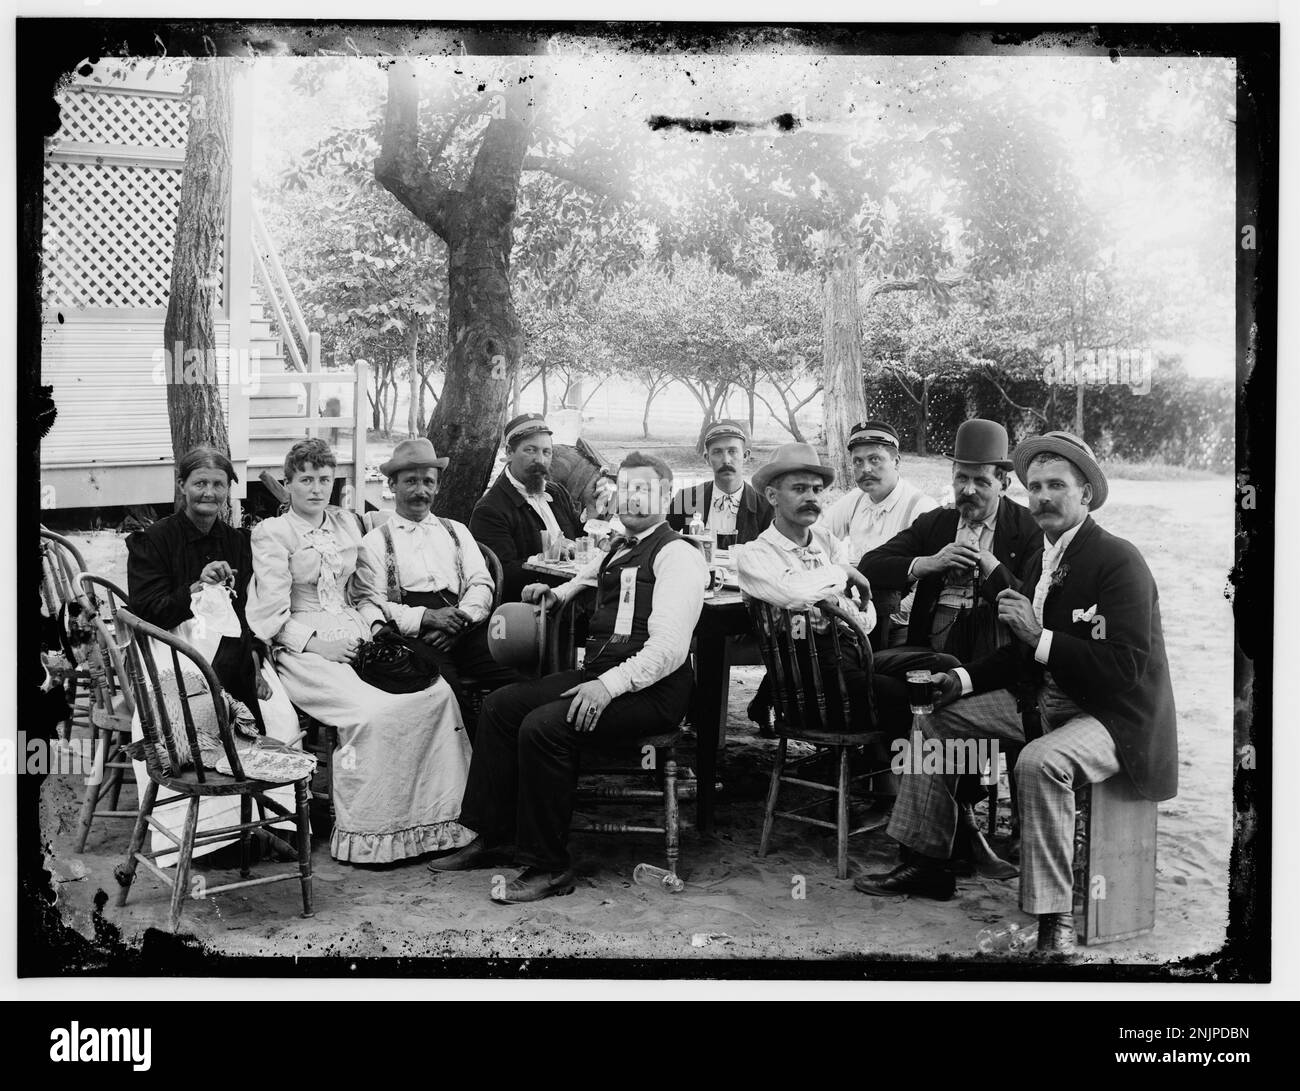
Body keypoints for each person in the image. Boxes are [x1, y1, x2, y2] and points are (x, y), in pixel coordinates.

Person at [856, 433, 1179, 957]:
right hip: (1042, 701)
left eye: (1058, 486)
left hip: (1111, 716)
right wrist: (958, 682)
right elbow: (1020, 656)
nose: (1044, 498)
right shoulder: (1041, 562)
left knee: (1036, 763)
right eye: (1036, 488)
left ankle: (1054, 920)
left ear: (1087, 496)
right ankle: (928, 863)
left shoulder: (1119, 560)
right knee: (934, 720)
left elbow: (1126, 669)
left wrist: (1039, 637)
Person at [431, 452, 708, 903]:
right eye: (626, 487)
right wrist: (554, 592)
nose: (633, 497)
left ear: (666, 496)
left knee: (545, 728)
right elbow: (587, 577)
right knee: (503, 707)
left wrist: (606, 687)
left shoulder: (678, 555)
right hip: (603, 673)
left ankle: (550, 867)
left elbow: (669, 650)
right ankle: (496, 834)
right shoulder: (619, 545)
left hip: (653, 691)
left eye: (645, 489)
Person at [247, 438, 473, 864]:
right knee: (373, 713)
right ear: (288, 483)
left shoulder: (347, 525)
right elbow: (269, 617)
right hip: (302, 644)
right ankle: (373, 832)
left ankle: (434, 822)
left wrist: (374, 629)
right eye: (306, 479)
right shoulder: (272, 533)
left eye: (324, 479)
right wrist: (321, 646)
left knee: (436, 695)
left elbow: (367, 594)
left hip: (358, 632)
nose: (316, 489)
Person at [126, 446, 301, 864]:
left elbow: (255, 608)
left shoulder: (240, 542)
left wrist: (257, 654)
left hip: (235, 643)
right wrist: (195, 589)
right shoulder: (153, 541)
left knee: (277, 713)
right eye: (199, 483)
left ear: (229, 491)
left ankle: (272, 823)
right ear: (182, 486)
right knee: (194, 715)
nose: (209, 492)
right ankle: (210, 839)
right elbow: (148, 610)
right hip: (174, 641)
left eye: (218, 485)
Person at [361, 438, 520, 730]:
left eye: (427, 482)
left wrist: (462, 623)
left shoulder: (456, 531)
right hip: (412, 634)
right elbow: (370, 602)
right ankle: (464, 766)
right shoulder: (375, 541)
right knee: (445, 692)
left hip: (464, 624)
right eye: (410, 481)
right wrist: (425, 618)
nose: (420, 491)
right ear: (392, 486)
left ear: (437, 486)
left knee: (514, 678)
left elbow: (481, 584)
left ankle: (504, 760)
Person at [860, 418, 1042, 666]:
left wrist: (993, 568)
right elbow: (870, 565)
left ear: (1004, 484)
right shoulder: (936, 522)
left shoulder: (1029, 528)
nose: (967, 490)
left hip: (997, 657)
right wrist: (928, 563)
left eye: (981, 481)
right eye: (961, 478)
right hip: (931, 650)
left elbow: (1036, 604)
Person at [734, 443, 880, 732]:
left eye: (816, 490)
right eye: (799, 489)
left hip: (850, 654)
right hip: (805, 674)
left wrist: (838, 606)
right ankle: (877, 770)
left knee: (932, 668)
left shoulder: (827, 541)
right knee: (900, 694)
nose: (811, 498)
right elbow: (794, 594)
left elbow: (866, 619)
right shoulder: (756, 554)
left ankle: (876, 766)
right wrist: (840, 574)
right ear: (772, 496)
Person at [821, 420, 938, 647]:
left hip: (900, 626)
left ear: (896, 461)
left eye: (875, 459)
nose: (866, 469)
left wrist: (880, 617)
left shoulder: (921, 508)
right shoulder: (854, 500)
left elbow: (928, 588)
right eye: (858, 461)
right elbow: (817, 539)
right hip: (858, 618)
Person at [469, 413, 584, 602]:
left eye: (546, 452)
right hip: (530, 609)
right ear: (509, 452)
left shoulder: (557, 493)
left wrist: (600, 513)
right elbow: (502, 575)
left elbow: (581, 538)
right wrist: (549, 557)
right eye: (530, 450)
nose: (540, 460)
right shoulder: (490, 510)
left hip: (573, 595)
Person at [666, 418, 773, 548]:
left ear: (745, 456)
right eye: (717, 452)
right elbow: (663, 540)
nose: (726, 460)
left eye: (732, 451)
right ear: (707, 458)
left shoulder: (765, 505)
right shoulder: (686, 498)